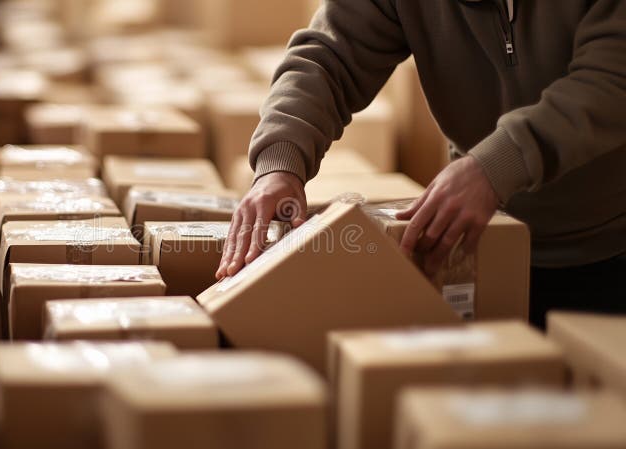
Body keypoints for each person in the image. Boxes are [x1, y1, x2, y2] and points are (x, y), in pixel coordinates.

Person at [216, 0, 626, 328]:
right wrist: (280, 161)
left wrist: (495, 166)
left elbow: (611, 80)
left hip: (609, 245)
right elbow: (329, 58)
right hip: (480, 245)